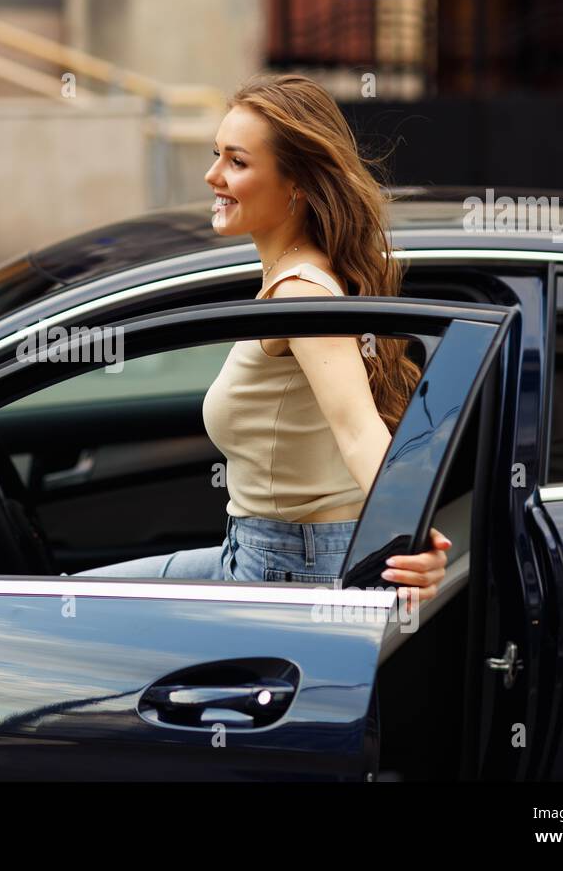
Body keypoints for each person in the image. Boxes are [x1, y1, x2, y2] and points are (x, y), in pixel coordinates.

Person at [74, 72, 450, 603]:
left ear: (295, 182)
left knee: (70, 611)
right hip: (269, 551)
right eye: (216, 154)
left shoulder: (302, 292)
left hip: (291, 562)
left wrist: (415, 539)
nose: (212, 175)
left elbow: (358, 430)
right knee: (72, 599)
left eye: (237, 162)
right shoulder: (292, 277)